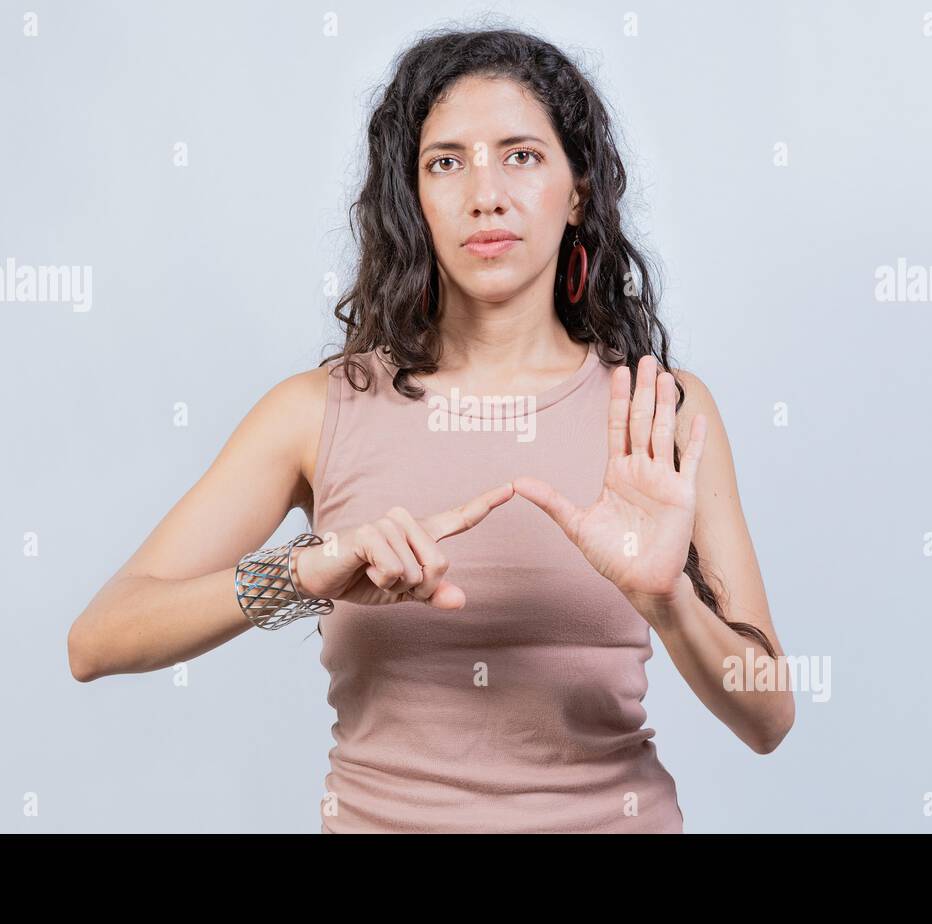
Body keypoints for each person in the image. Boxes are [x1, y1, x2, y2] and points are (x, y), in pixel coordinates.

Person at [67, 26, 792, 834]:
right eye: (447, 162)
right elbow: (99, 639)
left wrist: (670, 601)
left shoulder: (661, 412)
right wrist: (304, 573)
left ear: (577, 188)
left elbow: (769, 717)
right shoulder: (316, 411)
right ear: (413, 197)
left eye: (521, 155)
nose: (486, 193)